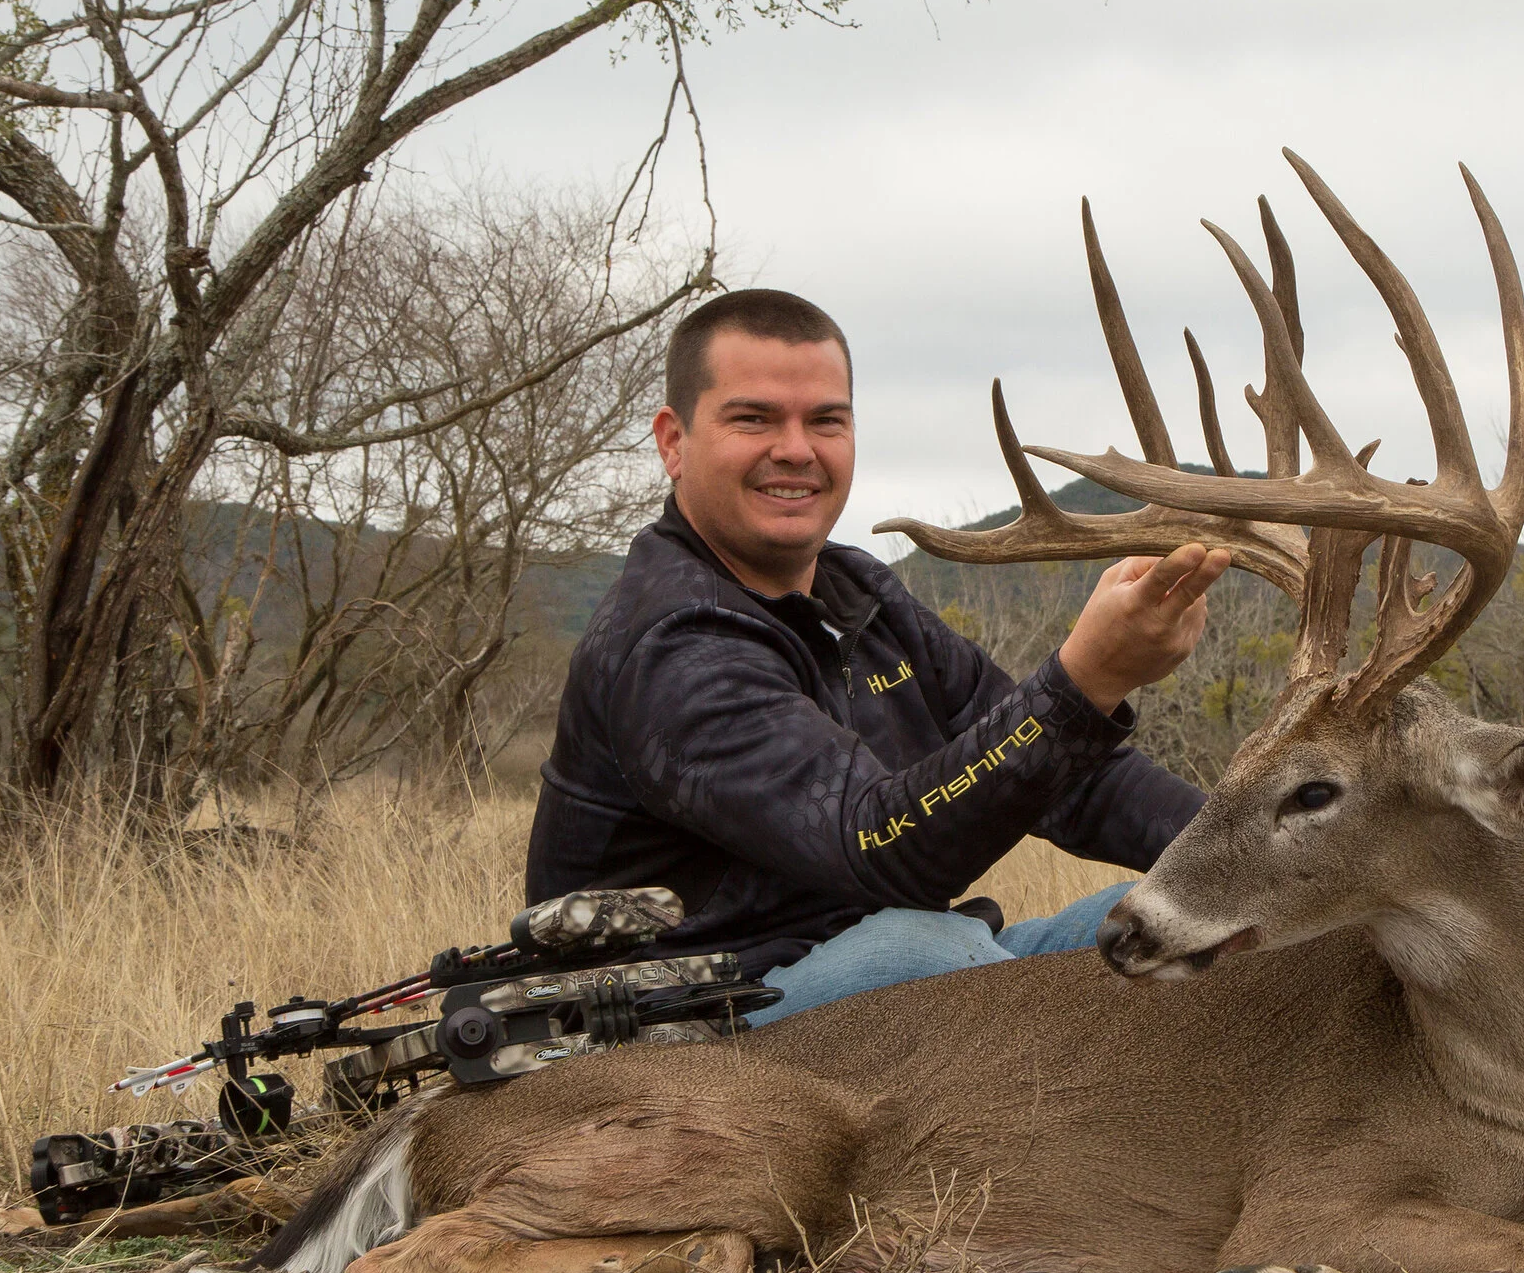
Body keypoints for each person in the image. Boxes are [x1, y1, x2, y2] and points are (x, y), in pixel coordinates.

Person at [525, 288, 1229, 1023]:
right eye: (753, 418)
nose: (796, 448)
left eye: (826, 419)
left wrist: (1255, 861)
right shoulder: (673, 643)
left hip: (893, 972)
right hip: (695, 1026)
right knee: (919, 952)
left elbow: (1074, 781)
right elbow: (881, 846)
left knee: (1170, 916)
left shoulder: (858, 591)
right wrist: (1090, 678)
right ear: (674, 440)